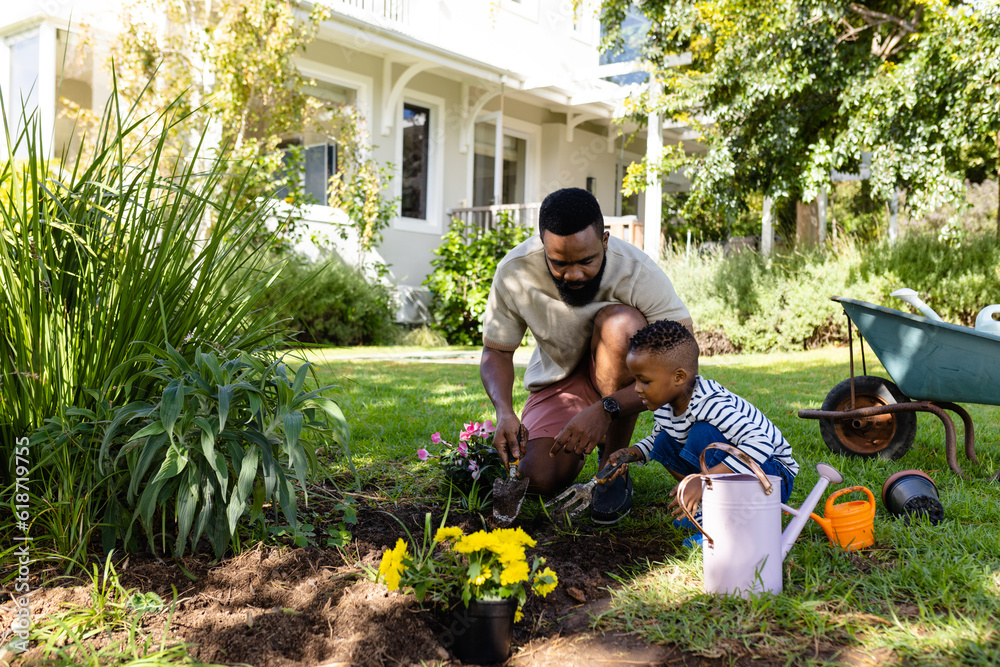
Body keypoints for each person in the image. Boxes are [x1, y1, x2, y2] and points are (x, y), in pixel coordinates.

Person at [480, 187, 692, 524]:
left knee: (622, 324)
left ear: (605, 241)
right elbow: (496, 352)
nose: (574, 274)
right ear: (542, 245)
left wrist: (607, 409)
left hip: (620, 367)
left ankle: (612, 466)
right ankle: (577, 436)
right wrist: (504, 411)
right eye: (559, 263)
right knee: (538, 478)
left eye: (586, 261)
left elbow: (681, 358)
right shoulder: (515, 271)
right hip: (559, 379)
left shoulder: (637, 270)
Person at [605, 319, 799, 541]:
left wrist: (704, 480)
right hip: (740, 474)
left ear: (678, 377)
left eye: (645, 381)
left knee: (702, 432)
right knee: (663, 442)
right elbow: (660, 437)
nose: (637, 389)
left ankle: (732, 517)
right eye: (635, 380)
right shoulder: (665, 406)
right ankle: (712, 507)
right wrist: (632, 453)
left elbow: (760, 444)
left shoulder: (711, 403)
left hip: (772, 478)